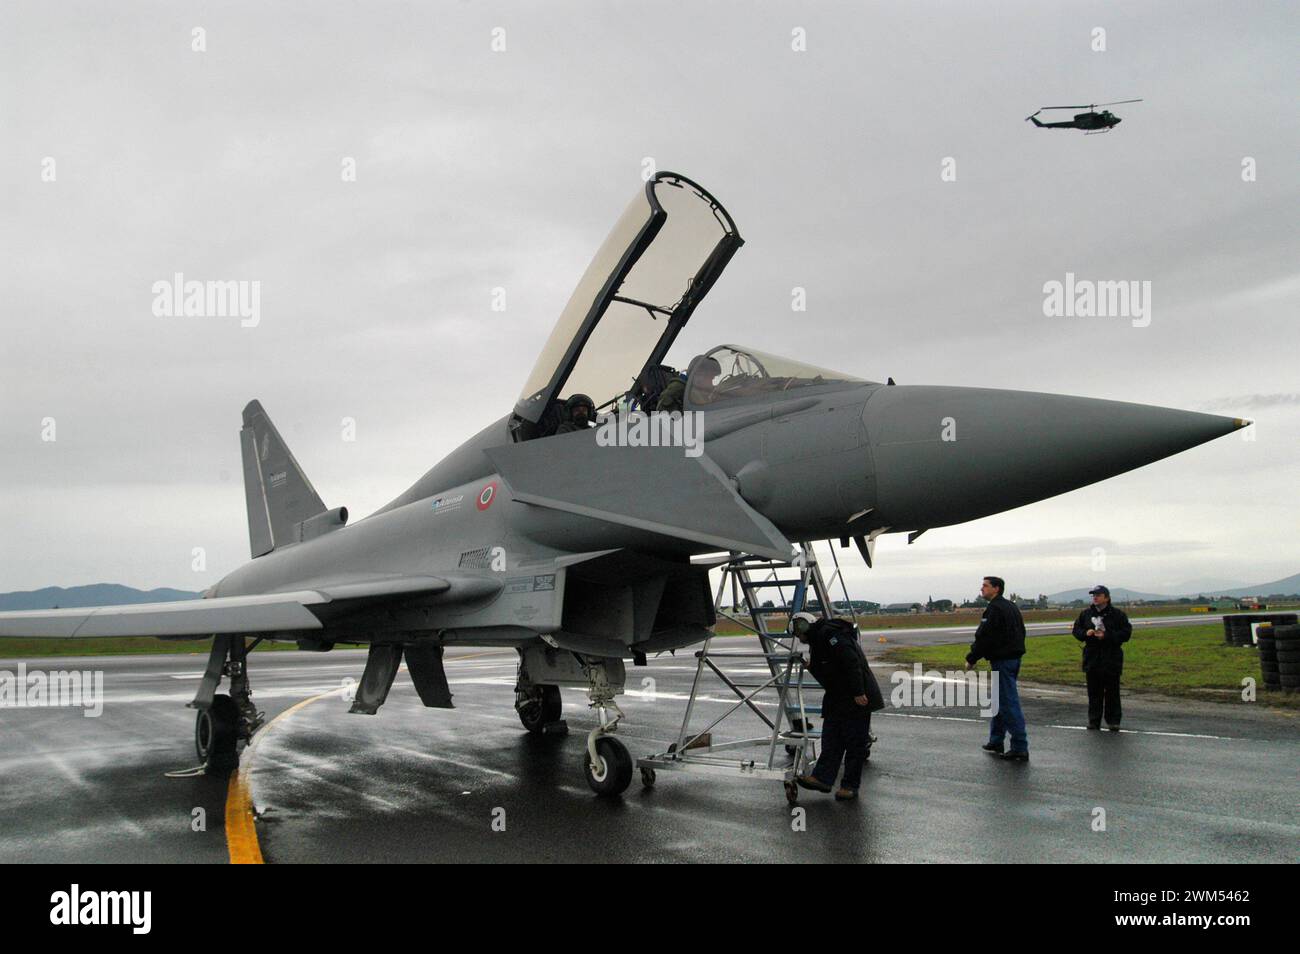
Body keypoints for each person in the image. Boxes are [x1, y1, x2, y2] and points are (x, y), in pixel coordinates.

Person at [791, 612, 884, 801]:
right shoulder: (819, 640)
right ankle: (822, 778)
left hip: (856, 695)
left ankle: (850, 786)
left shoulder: (831, 635)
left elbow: (851, 662)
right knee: (831, 737)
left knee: (854, 742)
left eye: (799, 632)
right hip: (838, 695)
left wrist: (859, 692)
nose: (799, 637)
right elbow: (826, 668)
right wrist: (812, 667)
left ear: (805, 626)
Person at [965, 576, 1029, 761]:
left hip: (1003, 660)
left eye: (985, 586)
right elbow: (1021, 631)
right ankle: (996, 739)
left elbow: (984, 636)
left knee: (1008, 703)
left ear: (996, 588)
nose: (981, 589)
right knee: (998, 701)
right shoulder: (1011, 606)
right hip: (1013, 658)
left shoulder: (994, 609)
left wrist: (972, 658)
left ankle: (1019, 745)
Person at [1071, 584, 1132, 731]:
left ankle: (1113, 721)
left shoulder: (1118, 615)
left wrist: (1107, 635)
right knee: (1094, 692)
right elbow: (1076, 630)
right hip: (1092, 657)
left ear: (1107, 598)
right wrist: (1086, 633)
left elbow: (1126, 633)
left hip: (1111, 657)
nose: (1095, 598)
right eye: (1093, 595)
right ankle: (1094, 720)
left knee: (1112, 692)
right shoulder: (1085, 614)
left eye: (1098, 595)